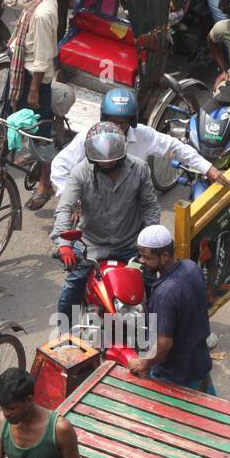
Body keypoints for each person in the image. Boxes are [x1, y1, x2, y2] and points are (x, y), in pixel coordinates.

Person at [50, 122, 160, 323]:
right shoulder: (79, 173)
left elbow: (150, 207)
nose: (108, 163)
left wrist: (148, 242)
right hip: (90, 247)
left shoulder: (140, 169)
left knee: (155, 288)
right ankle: (64, 336)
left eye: (112, 159)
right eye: (102, 160)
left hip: (130, 247)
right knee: (71, 290)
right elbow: (65, 208)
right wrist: (64, 245)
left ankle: (162, 335)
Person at [50, 87, 227, 197]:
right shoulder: (87, 137)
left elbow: (176, 146)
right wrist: (72, 200)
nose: (118, 128)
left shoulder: (143, 134)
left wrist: (208, 168)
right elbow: (59, 165)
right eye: (113, 122)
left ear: (132, 121)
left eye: (123, 123)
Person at [127, 225, 215, 393]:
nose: (142, 261)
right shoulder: (191, 267)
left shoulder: (165, 293)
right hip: (199, 362)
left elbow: (164, 343)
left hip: (176, 376)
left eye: (146, 257)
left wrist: (143, 363)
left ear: (165, 256)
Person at [2, 0, 59, 210]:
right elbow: (9, 0)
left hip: (33, 78)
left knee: (41, 133)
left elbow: (43, 57)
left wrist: (34, 89)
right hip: (19, 71)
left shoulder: (43, 14)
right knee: (11, 118)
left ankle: (45, 183)